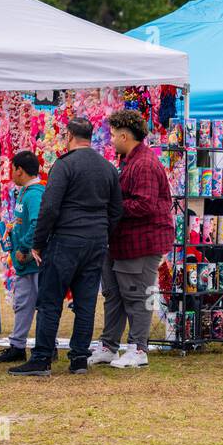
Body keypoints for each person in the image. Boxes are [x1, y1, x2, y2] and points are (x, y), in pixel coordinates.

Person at [9, 118, 122, 376]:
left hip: (66, 240)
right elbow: (116, 210)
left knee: (50, 301)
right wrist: (103, 233)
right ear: (91, 136)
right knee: (85, 302)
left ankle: (41, 358)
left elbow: (49, 208)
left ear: (69, 135)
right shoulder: (107, 168)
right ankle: (79, 358)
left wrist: (38, 243)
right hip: (96, 241)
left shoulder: (65, 165)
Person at [85, 110, 172, 369]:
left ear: (125, 135)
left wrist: (112, 206)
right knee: (113, 295)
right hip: (122, 242)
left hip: (142, 243)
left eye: (112, 135)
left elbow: (144, 204)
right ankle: (109, 346)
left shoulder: (144, 164)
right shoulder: (128, 160)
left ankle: (138, 349)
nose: (110, 140)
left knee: (137, 295)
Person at [0, 151, 44, 364]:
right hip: (24, 263)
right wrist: (10, 231)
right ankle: (19, 345)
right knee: (23, 303)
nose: (9, 172)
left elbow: (37, 223)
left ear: (20, 170)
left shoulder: (34, 194)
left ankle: (39, 344)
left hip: (33, 262)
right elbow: (25, 222)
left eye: (11, 168)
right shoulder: (24, 192)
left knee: (39, 304)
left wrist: (24, 248)